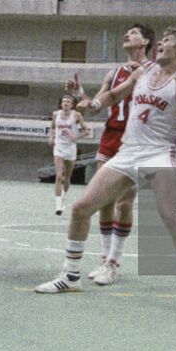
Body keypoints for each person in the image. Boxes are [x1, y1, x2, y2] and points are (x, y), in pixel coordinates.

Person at [36, 28, 176, 318]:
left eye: (168, 42)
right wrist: (89, 101)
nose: (161, 45)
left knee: (173, 219)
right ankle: (70, 276)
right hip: (128, 152)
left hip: (159, 154)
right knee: (82, 208)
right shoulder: (142, 72)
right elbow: (112, 97)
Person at [66, 22, 153, 285]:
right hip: (111, 136)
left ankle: (115, 261)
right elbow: (99, 102)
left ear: (146, 42)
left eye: (134, 33)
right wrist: (81, 96)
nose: (127, 35)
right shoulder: (113, 72)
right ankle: (104, 259)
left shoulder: (153, 70)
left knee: (125, 202)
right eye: (127, 32)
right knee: (104, 201)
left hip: (136, 139)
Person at [48, 94, 88, 215]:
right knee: (59, 176)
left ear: (72, 105)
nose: (65, 103)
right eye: (64, 101)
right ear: (61, 104)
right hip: (59, 147)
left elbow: (86, 131)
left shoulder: (76, 115)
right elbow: (52, 127)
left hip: (70, 148)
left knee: (67, 177)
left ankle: (63, 196)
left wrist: (76, 137)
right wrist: (51, 137)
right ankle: (58, 206)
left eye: (68, 102)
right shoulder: (56, 114)